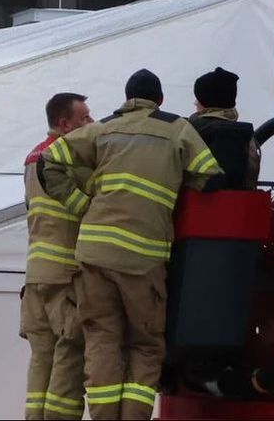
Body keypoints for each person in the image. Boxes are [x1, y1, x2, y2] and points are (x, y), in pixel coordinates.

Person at [40, 69, 220, 420]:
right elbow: (210, 177)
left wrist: (83, 206)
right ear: (161, 100)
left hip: (95, 253)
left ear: (126, 98)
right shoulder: (177, 128)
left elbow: (50, 161)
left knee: (102, 339)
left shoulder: (103, 128)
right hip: (144, 257)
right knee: (146, 343)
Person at [22, 91, 93, 420]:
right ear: (65, 124)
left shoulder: (32, 158)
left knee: (41, 360)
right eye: (85, 119)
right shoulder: (69, 158)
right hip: (65, 274)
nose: (91, 124)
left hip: (35, 275)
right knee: (69, 352)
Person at [189, 66, 261, 190]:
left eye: (199, 99)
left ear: (207, 102)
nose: (195, 103)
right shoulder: (247, 137)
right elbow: (250, 179)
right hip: (237, 205)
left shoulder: (190, 131)